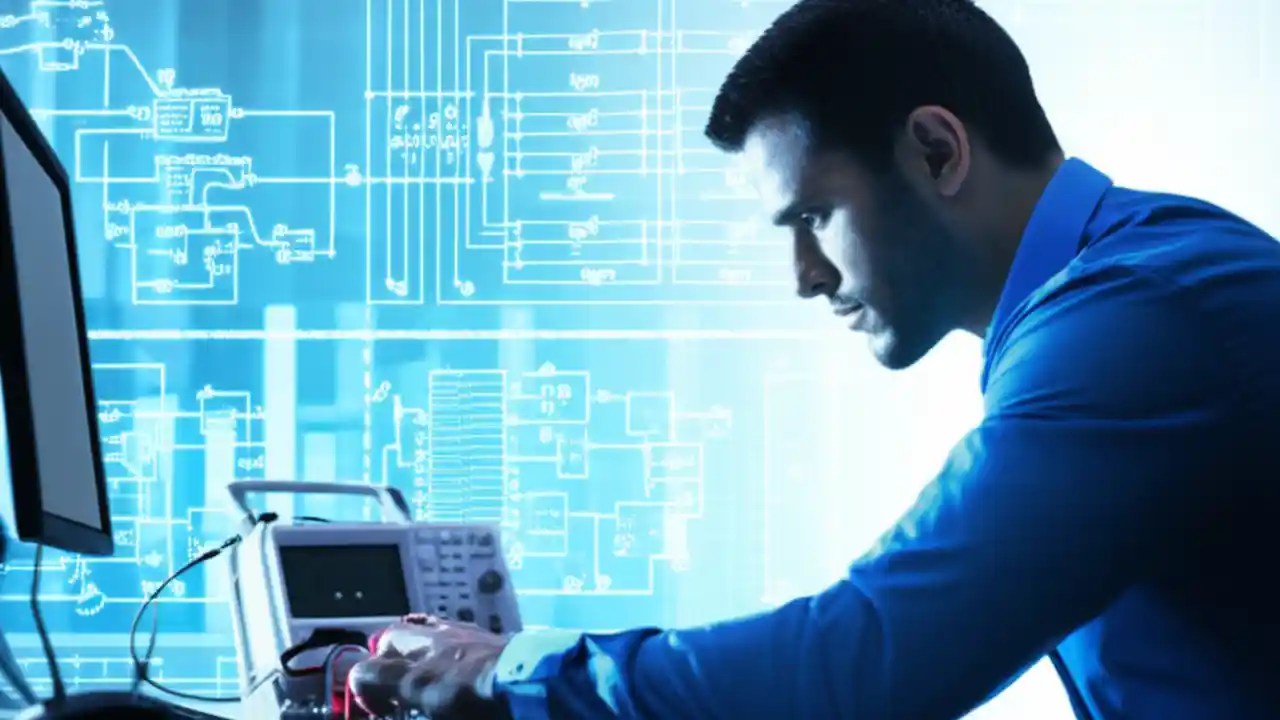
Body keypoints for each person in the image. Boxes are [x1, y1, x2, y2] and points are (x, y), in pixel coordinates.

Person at [349, 0, 1280, 717]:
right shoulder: (1141, 283)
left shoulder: (1138, 321)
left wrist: (512, 674)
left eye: (811, 218)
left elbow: (868, 661)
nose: (803, 276)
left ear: (935, 149)